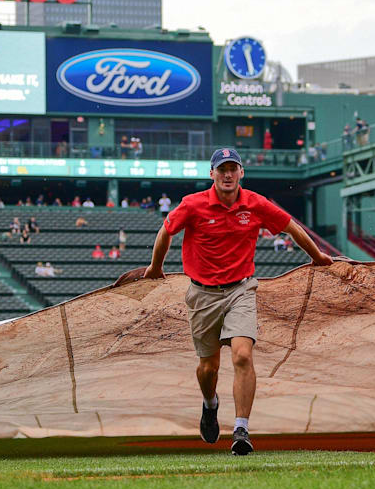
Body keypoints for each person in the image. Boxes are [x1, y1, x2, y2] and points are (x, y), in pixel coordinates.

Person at [141, 147, 348, 456]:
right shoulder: (193, 205)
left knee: (242, 356)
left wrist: (317, 256)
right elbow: (165, 232)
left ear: (241, 173)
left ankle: (241, 429)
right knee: (208, 368)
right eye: (221, 169)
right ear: (211, 174)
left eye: (232, 168)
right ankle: (210, 405)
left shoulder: (255, 203)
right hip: (202, 293)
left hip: (241, 290)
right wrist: (155, 267)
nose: (227, 174)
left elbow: (292, 228)